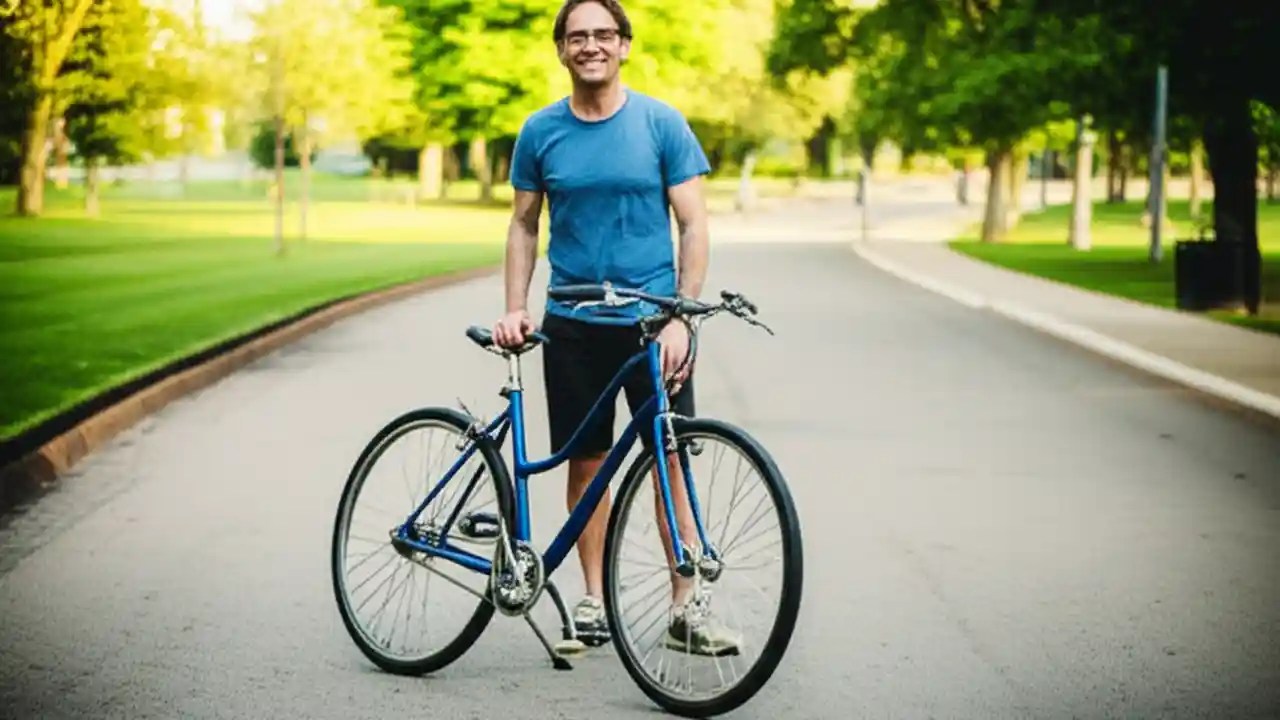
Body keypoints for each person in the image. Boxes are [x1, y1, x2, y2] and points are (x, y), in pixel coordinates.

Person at [492, 0, 739, 657]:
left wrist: (682, 314)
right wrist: (516, 305)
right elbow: (523, 224)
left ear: (625, 45)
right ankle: (592, 601)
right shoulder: (540, 132)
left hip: (654, 326)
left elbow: (693, 223)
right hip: (572, 324)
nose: (591, 45)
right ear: (562, 50)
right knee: (588, 463)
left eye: (604, 34)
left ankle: (686, 606)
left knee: (670, 460)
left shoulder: (661, 124)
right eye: (578, 36)